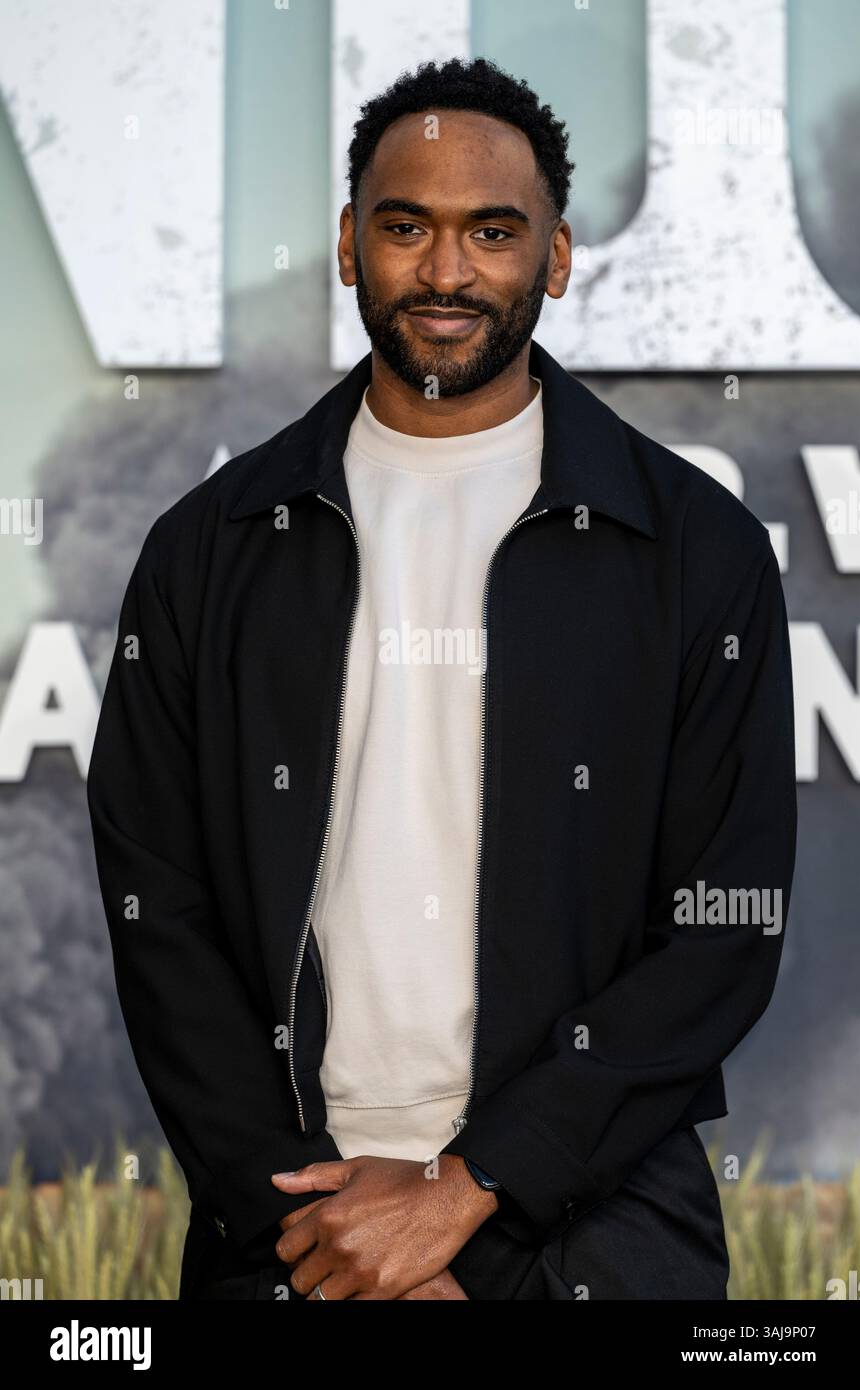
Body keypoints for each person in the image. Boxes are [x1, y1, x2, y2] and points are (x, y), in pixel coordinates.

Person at [87, 57, 797, 1301]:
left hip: (594, 1236)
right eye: (405, 226)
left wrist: (468, 1194)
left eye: (492, 232)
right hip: (292, 1234)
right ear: (351, 247)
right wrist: (320, 1231)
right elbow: (161, 912)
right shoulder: (211, 545)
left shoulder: (693, 548)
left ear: (558, 258)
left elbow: (721, 931)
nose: (448, 271)